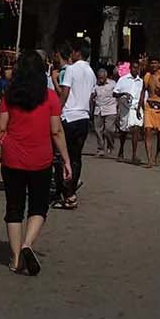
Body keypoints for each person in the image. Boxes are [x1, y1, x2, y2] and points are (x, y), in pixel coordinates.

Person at [0, 52, 72, 275]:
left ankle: (16, 258)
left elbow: (0, 128)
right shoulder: (50, 98)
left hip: (13, 158)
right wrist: (66, 160)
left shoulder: (10, 96)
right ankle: (27, 244)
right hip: (41, 159)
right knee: (38, 206)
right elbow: (56, 131)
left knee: (14, 208)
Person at [56, 41, 96, 207]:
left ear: (77, 53)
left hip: (69, 116)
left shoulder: (71, 69)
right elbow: (92, 96)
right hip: (83, 117)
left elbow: (64, 92)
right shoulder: (91, 72)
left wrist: (56, 111)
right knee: (76, 156)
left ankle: (65, 192)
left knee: (61, 157)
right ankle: (71, 191)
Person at [114, 60, 144, 163]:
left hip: (136, 108)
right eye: (134, 68)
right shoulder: (123, 79)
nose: (136, 70)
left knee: (136, 129)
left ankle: (134, 155)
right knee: (123, 131)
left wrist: (141, 108)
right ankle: (121, 150)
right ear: (130, 69)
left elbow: (142, 96)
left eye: (137, 68)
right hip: (125, 108)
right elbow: (115, 93)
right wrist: (124, 94)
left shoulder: (141, 82)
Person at [91, 66, 117, 156]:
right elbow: (92, 96)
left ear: (106, 76)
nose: (100, 79)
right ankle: (101, 149)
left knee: (109, 129)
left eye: (102, 77)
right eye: (99, 77)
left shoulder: (113, 84)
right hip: (98, 110)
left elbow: (117, 94)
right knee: (98, 131)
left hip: (110, 109)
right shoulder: (95, 85)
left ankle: (111, 144)